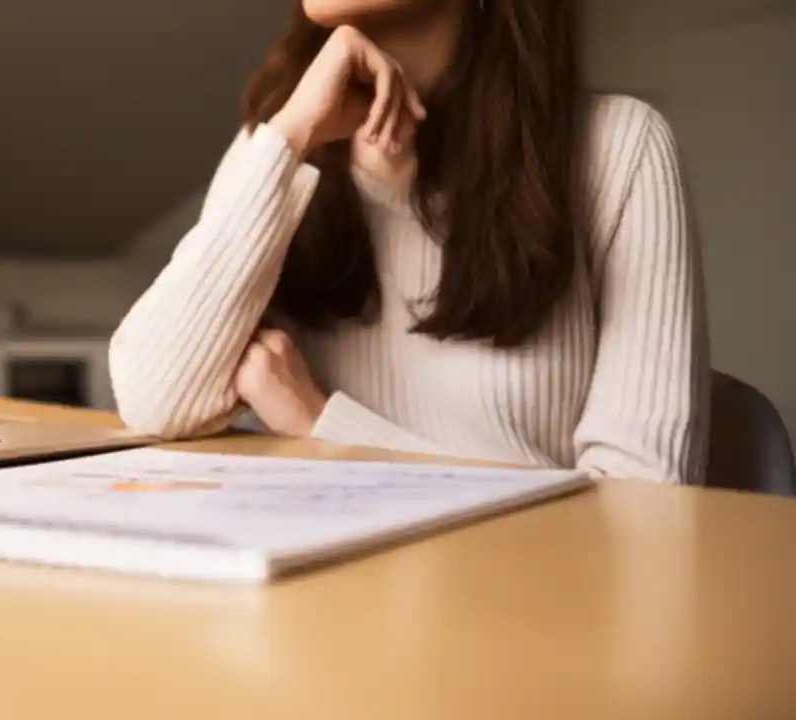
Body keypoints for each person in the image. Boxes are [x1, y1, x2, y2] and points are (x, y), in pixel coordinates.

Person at [109, 0, 709, 483]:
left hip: (521, 620)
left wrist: (323, 425)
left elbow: (642, 506)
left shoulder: (620, 149)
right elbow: (155, 402)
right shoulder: (279, 150)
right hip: (311, 612)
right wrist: (291, 133)